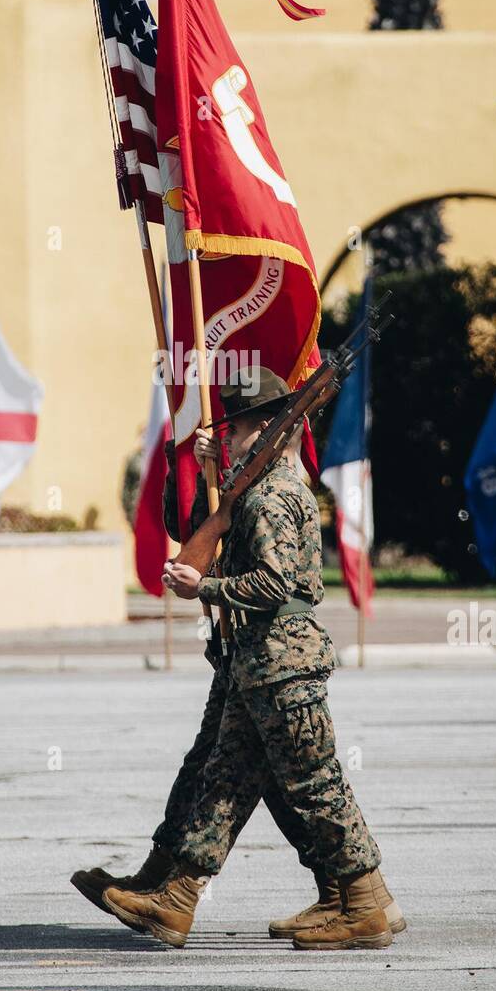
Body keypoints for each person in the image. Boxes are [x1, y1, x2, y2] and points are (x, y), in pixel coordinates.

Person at [99, 368, 403, 950]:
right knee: (225, 781)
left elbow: (272, 582)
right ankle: (176, 899)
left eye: (234, 428)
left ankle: (363, 904)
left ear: (264, 430)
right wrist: (207, 472)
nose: (226, 437)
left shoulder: (270, 496)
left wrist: (204, 590)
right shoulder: (259, 488)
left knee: (315, 786)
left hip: (281, 663)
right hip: (258, 665)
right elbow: (198, 527)